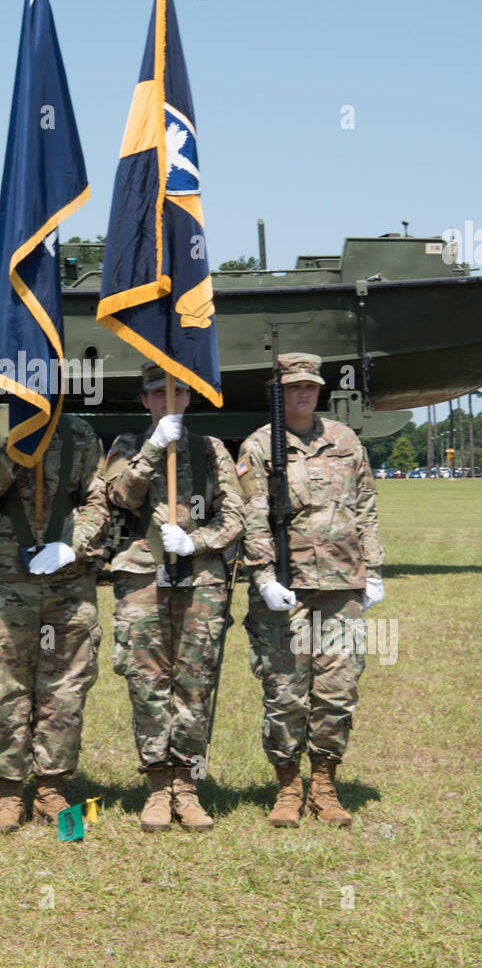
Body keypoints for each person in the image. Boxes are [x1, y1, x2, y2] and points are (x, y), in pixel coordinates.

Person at [237, 353, 385, 828]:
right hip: (287, 586)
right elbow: (252, 516)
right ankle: (287, 785)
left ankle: (324, 782)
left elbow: (365, 507)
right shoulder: (260, 446)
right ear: (278, 393)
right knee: (285, 693)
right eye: (293, 386)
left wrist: (374, 568)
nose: (303, 393)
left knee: (337, 691)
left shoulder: (345, 441)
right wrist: (262, 576)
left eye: (311, 386)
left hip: (343, 585)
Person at [105, 363, 245, 832]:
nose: (169, 401)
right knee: (147, 684)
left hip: (200, 579)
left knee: (194, 682)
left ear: (189, 398)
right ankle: (156, 787)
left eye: (178, 394)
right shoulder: (127, 446)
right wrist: (152, 447)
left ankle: (187, 786)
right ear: (145, 401)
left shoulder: (211, 450)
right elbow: (122, 496)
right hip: (143, 578)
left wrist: (198, 542)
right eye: (157, 394)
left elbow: (236, 517)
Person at [0, 408, 108, 831]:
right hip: (5, 578)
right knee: (7, 685)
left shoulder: (78, 430)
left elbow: (99, 499)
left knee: (64, 687)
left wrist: (72, 544)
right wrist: (17, 442)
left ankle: (51, 789)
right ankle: (8, 793)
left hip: (68, 579)